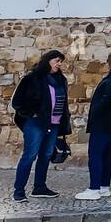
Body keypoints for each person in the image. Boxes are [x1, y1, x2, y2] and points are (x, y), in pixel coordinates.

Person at [9, 50, 71, 201]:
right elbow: (17, 101)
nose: (59, 64)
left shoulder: (60, 79)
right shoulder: (33, 78)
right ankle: (19, 191)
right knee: (30, 155)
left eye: (60, 61)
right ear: (48, 60)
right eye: (57, 60)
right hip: (37, 123)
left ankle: (39, 187)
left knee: (46, 155)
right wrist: (31, 113)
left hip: (54, 123)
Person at [76, 51, 111, 200]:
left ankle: (94, 188)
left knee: (95, 154)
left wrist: (96, 111)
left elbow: (108, 99)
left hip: (103, 121)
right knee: (105, 153)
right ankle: (104, 186)